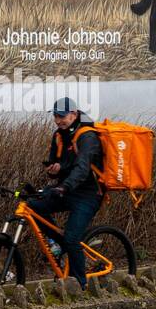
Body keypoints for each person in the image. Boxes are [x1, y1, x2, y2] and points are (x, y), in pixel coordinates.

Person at [31, 96, 104, 288]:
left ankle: (79, 284)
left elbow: (82, 169)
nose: (58, 120)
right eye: (55, 116)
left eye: (62, 116)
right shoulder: (58, 135)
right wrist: (54, 170)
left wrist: (64, 186)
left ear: (74, 114)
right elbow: (61, 165)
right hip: (66, 189)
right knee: (33, 205)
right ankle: (58, 243)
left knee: (72, 237)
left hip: (88, 194)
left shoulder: (88, 136)